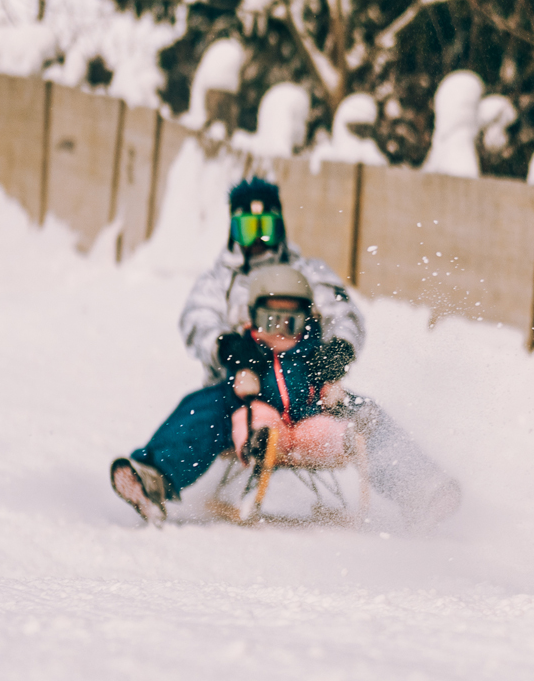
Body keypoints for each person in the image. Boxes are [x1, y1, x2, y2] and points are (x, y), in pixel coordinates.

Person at [110, 179, 459, 525]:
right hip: (241, 392)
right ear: (233, 230)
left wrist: (339, 349)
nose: (259, 239)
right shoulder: (219, 281)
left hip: (307, 388)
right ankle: (152, 476)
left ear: (281, 227)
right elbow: (196, 319)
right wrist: (225, 345)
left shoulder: (308, 271)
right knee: (202, 410)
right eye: (248, 229)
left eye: (267, 227)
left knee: (364, 414)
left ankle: (420, 487)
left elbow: (343, 312)